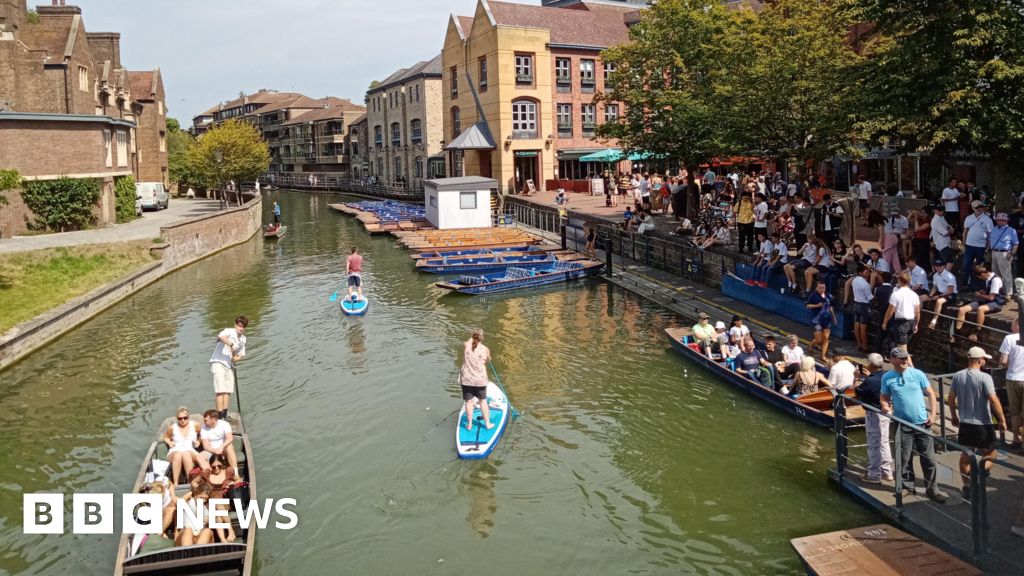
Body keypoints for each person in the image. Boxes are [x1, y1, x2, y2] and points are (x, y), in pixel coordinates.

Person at [880, 348, 947, 503]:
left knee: (929, 458)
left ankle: (932, 490)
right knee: (904, 458)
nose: (905, 361)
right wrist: (885, 405)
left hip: (922, 423)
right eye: (901, 358)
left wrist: (934, 414)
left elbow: (930, 393)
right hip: (902, 423)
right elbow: (884, 396)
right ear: (892, 359)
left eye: (906, 358)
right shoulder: (887, 377)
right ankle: (907, 487)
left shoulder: (918, 374)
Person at [948, 347, 1007, 500]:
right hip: (983, 424)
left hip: (965, 423)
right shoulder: (985, 377)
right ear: (980, 360)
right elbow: (993, 399)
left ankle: (967, 486)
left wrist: (954, 415)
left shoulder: (957, 376)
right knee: (991, 453)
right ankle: (980, 472)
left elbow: (951, 397)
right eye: (984, 359)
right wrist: (1002, 420)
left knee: (966, 455)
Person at [856, 353, 894, 483]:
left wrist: (856, 378)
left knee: (873, 444)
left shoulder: (870, 380)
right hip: (887, 412)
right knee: (884, 442)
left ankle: (874, 474)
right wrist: (869, 377)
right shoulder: (888, 375)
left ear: (870, 365)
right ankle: (887, 472)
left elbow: (858, 392)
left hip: (874, 414)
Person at [210, 316, 248, 420]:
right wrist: (231, 344)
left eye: (243, 327)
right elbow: (220, 336)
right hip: (219, 362)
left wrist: (237, 358)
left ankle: (224, 414)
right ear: (235, 325)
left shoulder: (243, 339)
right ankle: (219, 416)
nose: (241, 328)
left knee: (227, 391)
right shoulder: (229, 331)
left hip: (229, 365)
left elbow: (241, 354)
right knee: (220, 390)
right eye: (239, 326)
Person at [955, 264, 1004, 337]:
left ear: (983, 274)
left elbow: (991, 298)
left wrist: (980, 295)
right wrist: (983, 292)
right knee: (962, 309)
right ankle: (957, 332)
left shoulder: (995, 280)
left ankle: (977, 331)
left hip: (996, 302)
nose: (980, 279)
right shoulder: (987, 279)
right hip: (986, 300)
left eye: (980, 277)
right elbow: (988, 292)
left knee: (980, 309)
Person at [459, 329, 493, 431]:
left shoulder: (467, 346)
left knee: (469, 402)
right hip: (480, 380)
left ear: (472, 337)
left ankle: (469, 425)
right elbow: (488, 359)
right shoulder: (485, 349)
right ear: (482, 338)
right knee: (482, 401)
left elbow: (469, 341)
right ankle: (487, 424)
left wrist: (473, 337)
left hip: (466, 379)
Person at [999, 320, 1024, 452]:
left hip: (1013, 378)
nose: (1010, 327)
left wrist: (1010, 366)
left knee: (1015, 412)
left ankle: (1015, 439)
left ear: (1018, 326)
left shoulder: (1009, 338)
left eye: (1012, 325)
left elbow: (1003, 361)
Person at [882, 272, 920, 356]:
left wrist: (885, 323)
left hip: (901, 324)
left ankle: (910, 368)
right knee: (902, 349)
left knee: (903, 351)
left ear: (899, 281)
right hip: (911, 323)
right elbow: (917, 312)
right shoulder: (914, 295)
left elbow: (890, 311)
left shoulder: (895, 294)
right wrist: (916, 324)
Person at [164, 407, 201, 486]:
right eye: (180, 418)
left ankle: (190, 482)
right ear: (177, 418)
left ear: (189, 417)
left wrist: (199, 441)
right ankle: (176, 483)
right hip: (175, 450)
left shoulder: (195, 425)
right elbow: (166, 437)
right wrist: (169, 442)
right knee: (178, 454)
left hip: (190, 450)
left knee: (186, 454)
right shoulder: (172, 427)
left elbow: (203, 434)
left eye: (185, 418)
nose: (182, 420)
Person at [961, 201, 993, 290]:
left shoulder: (988, 219)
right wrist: (964, 245)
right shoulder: (968, 218)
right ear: (973, 208)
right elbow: (965, 232)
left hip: (981, 247)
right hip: (969, 246)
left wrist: (988, 246)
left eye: (981, 207)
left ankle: (978, 285)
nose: (979, 208)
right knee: (966, 265)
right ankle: (965, 284)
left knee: (980, 267)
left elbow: (990, 234)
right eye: (977, 207)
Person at [988, 212, 1018, 298]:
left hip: (1005, 253)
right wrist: (988, 249)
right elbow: (990, 240)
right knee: (995, 274)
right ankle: (998, 291)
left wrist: (1011, 253)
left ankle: (1008, 293)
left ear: (1006, 221)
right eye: (998, 220)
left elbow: (1016, 244)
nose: (1000, 221)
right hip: (994, 252)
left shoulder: (1011, 230)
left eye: (1002, 220)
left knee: (1006, 274)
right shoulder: (993, 229)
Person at [924, 259, 958, 329]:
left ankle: (934, 321)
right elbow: (935, 287)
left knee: (939, 301)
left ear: (944, 266)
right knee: (922, 297)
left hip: (951, 294)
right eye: (936, 266)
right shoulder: (935, 275)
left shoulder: (950, 276)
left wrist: (938, 296)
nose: (938, 267)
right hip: (940, 292)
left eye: (940, 266)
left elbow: (950, 291)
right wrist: (931, 295)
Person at [806, 281, 836, 358]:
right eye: (820, 287)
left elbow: (830, 307)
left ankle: (823, 356)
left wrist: (834, 317)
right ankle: (811, 345)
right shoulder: (813, 296)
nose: (822, 289)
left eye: (823, 287)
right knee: (819, 339)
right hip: (817, 322)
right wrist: (817, 305)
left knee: (826, 338)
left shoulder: (828, 295)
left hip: (826, 320)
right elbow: (808, 306)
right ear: (817, 288)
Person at [851, 266, 873, 353]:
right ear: (860, 273)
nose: (867, 273)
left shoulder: (854, 280)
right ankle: (865, 346)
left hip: (856, 303)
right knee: (863, 328)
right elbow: (870, 297)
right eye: (866, 272)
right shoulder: (866, 285)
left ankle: (859, 344)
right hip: (864, 306)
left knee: (856, 326)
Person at [736, 189, 756, 253]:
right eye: (744, 196)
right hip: (741, 222)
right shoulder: (739, 203)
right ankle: (741, 248)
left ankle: (750, 248)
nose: (745, 197)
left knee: (750, 236)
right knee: (741, 236)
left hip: (750, 222)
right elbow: (735, 211)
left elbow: (755, 210)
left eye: (746, 196)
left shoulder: (751, 202)